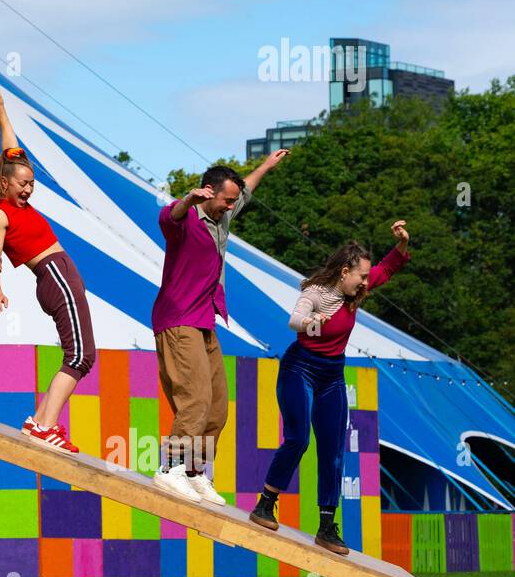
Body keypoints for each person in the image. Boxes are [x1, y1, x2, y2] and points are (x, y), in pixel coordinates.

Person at [250, 221, 412, 554]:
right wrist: (313, 323)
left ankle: (326, 525)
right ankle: (266, 503)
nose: (366, 282)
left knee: (333, 450)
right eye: (361, 277)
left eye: (366, 278)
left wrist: (402, 244)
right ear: (344, 272)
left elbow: (386, 269)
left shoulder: (357, 293)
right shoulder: (317, 294)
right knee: (298, 440)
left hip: (332, 376)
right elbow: (294, 320)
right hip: (300, 368)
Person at [150, 149, 288, 503]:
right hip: (178, 319)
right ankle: (169, 469)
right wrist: (188, 199)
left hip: (204, 321)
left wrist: (267, 166)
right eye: (225, 200)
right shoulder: (184, 221)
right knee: (194, 397)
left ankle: (195, 471)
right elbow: (170, 215)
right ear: (208, 192)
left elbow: (245, 190)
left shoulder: (222, 217)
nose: (231, 206)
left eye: (233, 201)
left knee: (217, 407)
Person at [0, 84, 94, 449]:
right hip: (53, 274)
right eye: (23, 184)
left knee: (78, 354)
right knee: (80, 355)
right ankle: (45, 425)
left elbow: (9, 148)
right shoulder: (0, 213)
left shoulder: (16, 192)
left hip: (58, 276)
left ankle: (41, 424)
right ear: (5, 184)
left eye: (32, 183)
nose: (29, 189)